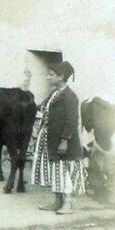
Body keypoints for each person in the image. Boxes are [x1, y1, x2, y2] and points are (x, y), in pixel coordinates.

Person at [31, 61, 86, 215]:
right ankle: (57, 202)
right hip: (50, 138)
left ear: (61, 76)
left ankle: (67, 204)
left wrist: (64, 141)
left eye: (51, 75)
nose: (48, 78)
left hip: (63, 141)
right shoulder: (54, 94)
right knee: (54, 171)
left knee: (64, 171)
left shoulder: (70, 96)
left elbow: (71, 121)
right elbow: (41, 109)